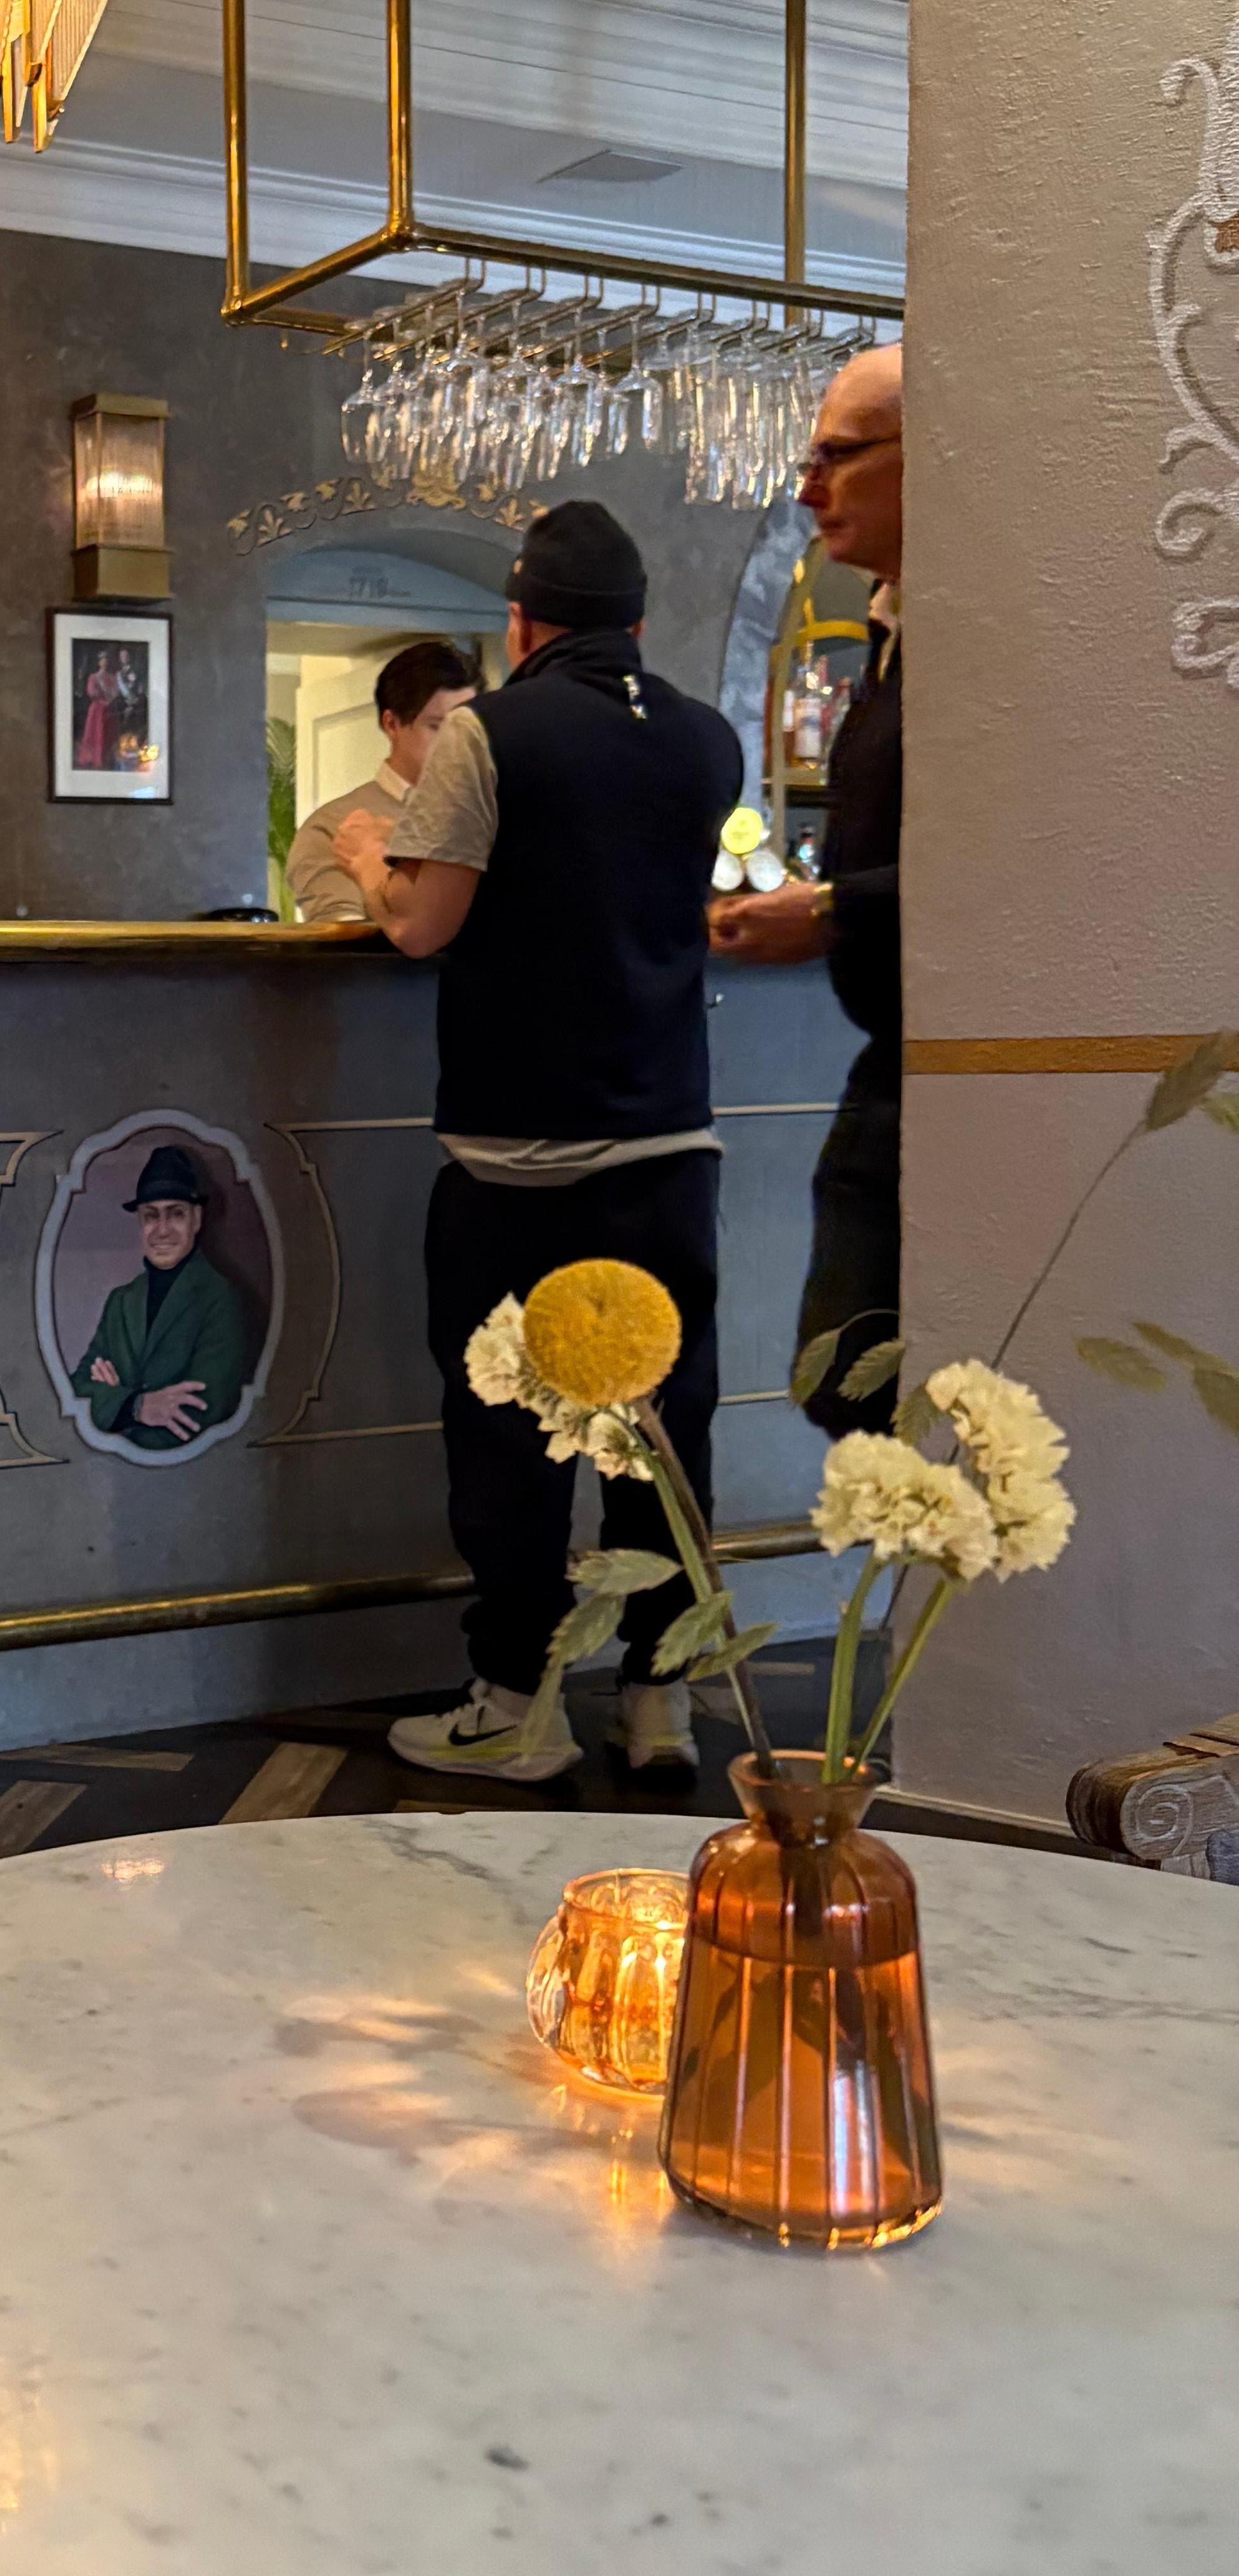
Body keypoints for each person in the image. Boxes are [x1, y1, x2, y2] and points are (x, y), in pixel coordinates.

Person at [331, 499, 743, 1785]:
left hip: (516, 1163)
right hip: (666, 1148)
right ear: (637, 622)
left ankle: (518, 1704)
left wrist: (366, 849)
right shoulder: (709, 739)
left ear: (520, 623)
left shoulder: (488, 734)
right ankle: (662, 1700)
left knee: (508, 1444)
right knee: (659, 1437)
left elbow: (421, 923)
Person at [709, 340, 903, 1433]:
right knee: (843, 1394)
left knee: (881, 1409)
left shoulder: (996, 643)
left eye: (837, 455)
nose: (806, 488)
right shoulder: (889, 630)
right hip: (897, 1071)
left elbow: (1019, 872)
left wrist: (831, 910)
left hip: (964, 1085)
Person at [69, 1142, 253, 1450]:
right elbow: (77, 1394)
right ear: (140, 1223)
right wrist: (137, 1406)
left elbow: (199, 1414)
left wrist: (115, 1404)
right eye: (151, 1216)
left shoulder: (221, 1299)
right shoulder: (120, 1302)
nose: (162, 1230)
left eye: (176, 1214)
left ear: (197, 1219)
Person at [285, 639, 480, 923]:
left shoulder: (494, 814)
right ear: (391, 724)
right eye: (438, 727)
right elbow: (348, 938)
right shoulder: (333, 828)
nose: (456, 744)